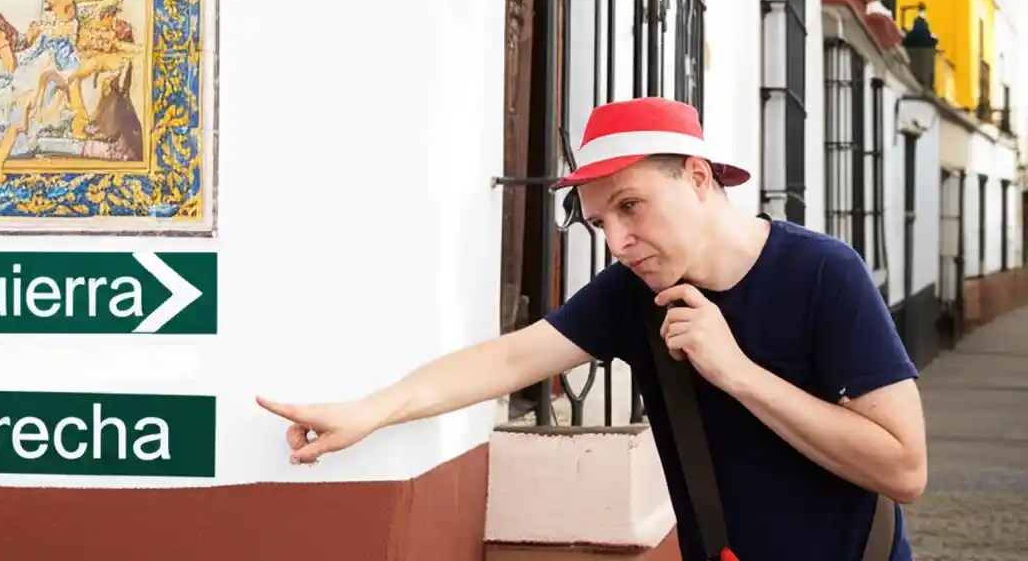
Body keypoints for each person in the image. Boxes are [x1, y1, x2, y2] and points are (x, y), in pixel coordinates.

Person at [257, 97, 928, 561]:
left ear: (697, 178)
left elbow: (904, 467)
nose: (618, 240)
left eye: (631, 206)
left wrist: (738, 374)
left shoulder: (823, 274)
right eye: (600, 221)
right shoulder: (635, 293)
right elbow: (507, 361)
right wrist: (371, 412)